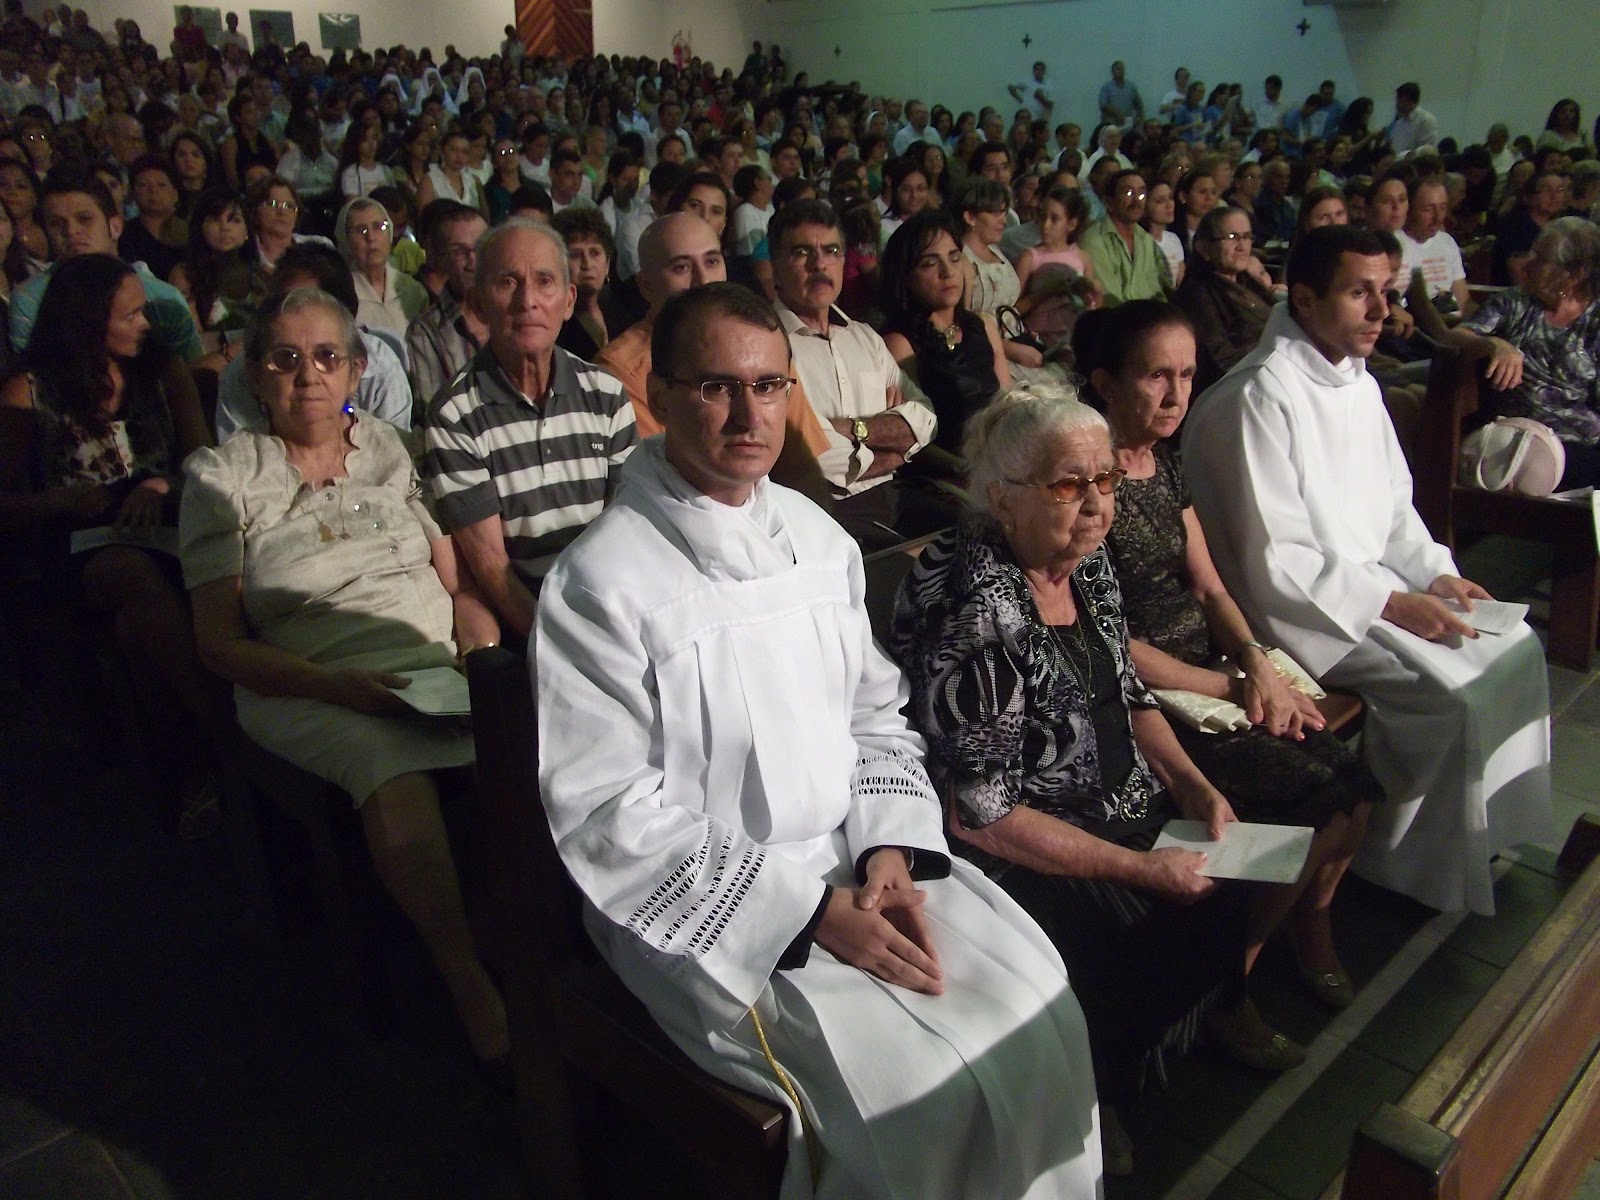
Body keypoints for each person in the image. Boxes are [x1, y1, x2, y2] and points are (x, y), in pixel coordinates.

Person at [537, 282, 1103, 1199]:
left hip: (855, 857)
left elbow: (873, 715)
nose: (748, 415)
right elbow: (606, 812)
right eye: (717, 387)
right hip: (711, 911)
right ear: (663, 395)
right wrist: (807, 911)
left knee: (1035, 1003)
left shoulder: (815, 536)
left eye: (768, 386)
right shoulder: (600, 581)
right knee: (916, 1095)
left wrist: (888, 846)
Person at [888, 384, 1304, 1176]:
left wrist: (1190, 784)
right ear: (1004, 499)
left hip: (1114, 795)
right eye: (1068, 484)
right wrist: (1139, 868)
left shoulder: (1084, 563)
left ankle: (1217, 1009)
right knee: (1117, 930)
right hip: (1020, 833)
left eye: (1105, 480)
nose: (1096, 504)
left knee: (1230, 849)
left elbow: (1127, 690)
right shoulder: (972, 606)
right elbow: (980, 812)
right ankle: (1095, 1092)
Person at [181, 285, 508, 1073]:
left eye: (328, 356)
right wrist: (342, 691)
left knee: (529, 726)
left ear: (357, 370)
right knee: (388, 764)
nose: (309, 376)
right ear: (256, 376)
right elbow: (219, 645)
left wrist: (481, 659)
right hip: (305, 681)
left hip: (428, 664)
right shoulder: (223, 476)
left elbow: (458, 587)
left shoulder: (389, 450)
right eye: (286, 359)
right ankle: (470, 981)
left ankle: (545, 943)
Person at [1182, 225, 1554, 916]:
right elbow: (1275, 558)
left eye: (1386, 291)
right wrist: (1392, 602)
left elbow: (1393, 508)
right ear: (1304, 298)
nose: (1384, 311)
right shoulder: (1259, 397)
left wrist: (1435, 574)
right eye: (1360, 293)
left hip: (1370, 587)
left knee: (1515, 649)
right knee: (1454, 695)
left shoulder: (1355, 381)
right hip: (1300, 613)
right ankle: (1406, 869)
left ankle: (1477, 842)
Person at [1080, 301, 1381, 1013]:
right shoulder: (1087, 481)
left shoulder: (1163, 465)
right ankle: (1229, 986)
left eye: (1187, 375)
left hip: (1213, 673)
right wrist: (1230, 687)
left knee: (1357, 786)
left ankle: (1308, 923)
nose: (1176, 394)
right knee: (1317, 805)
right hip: (1146, 695)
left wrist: (1256, 663)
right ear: (1106, 382)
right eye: (1156, 375)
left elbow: (1209, 586)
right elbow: (1105, 641)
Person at [0, 254, 220, 837]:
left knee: (137, 629)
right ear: (87, 320)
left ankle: (194, 771)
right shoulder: (31, 389)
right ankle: (228, 731)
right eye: (129, 315)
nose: (145, 323)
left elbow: (204, 463)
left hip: (164, 521)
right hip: (82, 539)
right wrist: (61, 501)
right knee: (129, 572)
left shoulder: (162, 369)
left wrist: (161, 484)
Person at [424, 218, 636, 638]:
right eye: (508, 282)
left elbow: (628, 533)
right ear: (479, 303)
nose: (528, 301)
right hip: (532, 625)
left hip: (618, 607)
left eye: (544, 282)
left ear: (569, 301)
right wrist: (557, 646)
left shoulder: (607, 394)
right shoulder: (455, 414)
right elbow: (492, 566)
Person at [593, 212, 831, 502]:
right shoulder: (621, 372)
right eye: (681, 267)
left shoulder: (760, 347)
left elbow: (804, 468)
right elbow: (655, 481)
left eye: (712, 262)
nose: (703, 280)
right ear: (646, 285)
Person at [769, 199, 944, 533]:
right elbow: (810, 457)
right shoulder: (767, 345)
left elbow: (926, 417)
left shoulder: (865, 337)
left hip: (894, 493)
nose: (819, 263)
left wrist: (850, 429)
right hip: (820, 507)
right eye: (802, 252)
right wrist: (895, 450)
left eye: (832, 251)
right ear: (776, 267)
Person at [1439, 217, 1600, 490]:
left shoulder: (1595, 319)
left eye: (1541, 259)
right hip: (1518, 441)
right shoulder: (1515, 303)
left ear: (1573, 275)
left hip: (1583, 445)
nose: (1527, 265)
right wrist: (1493, 344)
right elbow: (1450, 337)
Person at [212, 241, 412, 440]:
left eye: (306, 307)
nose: (308, 378)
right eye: (283, 305)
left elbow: (393, 450)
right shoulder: (245, 374)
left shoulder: (379, 368)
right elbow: (238, 452)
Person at [11, 169, 202, 361]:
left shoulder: (163, 299)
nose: (70, 231)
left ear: (115, 227)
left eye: (84, 219)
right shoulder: (29, 300)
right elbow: (30, 374)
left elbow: (191, 370)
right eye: (56, 223)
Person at [880, 210, 1010, 454]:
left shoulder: (983, 325)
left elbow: (1008, 405)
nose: (948, 272)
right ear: (906, 276)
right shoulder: (900, 344)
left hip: (998, 454)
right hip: (948, 465)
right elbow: (914, 437)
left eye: (954, 258)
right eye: (930, 263)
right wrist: (961, 469)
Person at [1173, 207, 1277, 391]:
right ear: (1204, 248)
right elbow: (1221, 360)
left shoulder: (1248, 282)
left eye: (1247, 237)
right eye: (1232, 237)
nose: (1242, 246)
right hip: (1244, 387)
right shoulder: (1197, 296)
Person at [405, 201, 487, 415]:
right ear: (441, 259)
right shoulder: (425, 331)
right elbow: (434, 412)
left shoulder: (515, 314)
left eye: (480, 247)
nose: (472, 261)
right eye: (459, 251)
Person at [336, 195, 428, 342]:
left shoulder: (414, 291)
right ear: (345, 239)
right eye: (361, 230)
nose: (371, 237)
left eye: (379, 227)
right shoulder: (340, 296)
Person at [1079, 170, 1171, 306]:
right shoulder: (1093, 241)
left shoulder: (1146, 240)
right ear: (1109, 202)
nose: (1136, 200)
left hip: (1150, 316)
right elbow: (1108, 299)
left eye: (1141, 194)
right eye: (1129, 193)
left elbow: (1160, 290)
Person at [1398, 176, 1470, 315]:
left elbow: (1464, 301)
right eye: (1428, 209)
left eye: (1442, 208)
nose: (1438, 217)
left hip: (1454, 322)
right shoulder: (1396, 244)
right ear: (1409, 209)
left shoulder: (1447, 242)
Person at [1015, 185, 1099, 301]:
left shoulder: (1083, 259)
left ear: (1072, 224)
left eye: (1054, 219)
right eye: (1043, 217)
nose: (1045, 225)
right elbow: (1014, 305)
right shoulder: (1029, 257)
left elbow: (1090, 302)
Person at [1386, 83, 1439, 157]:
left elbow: (1426, 152)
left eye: (1399, 101)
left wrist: (1404, 156)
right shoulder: (1399, 123)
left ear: (1409, 101)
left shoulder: (1426, 120)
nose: (1397, 105)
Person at [1098, 60, 1143, 132]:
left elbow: (1139, 104)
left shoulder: (1131, 86)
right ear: (1112, 72)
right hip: (1111, 123)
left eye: (1122, 69)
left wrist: (1139, 117)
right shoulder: (1106, 87)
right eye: (1117, 68)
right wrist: (1117, 114)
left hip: (1128, 124)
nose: (1120, 71)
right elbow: (1103, 105)